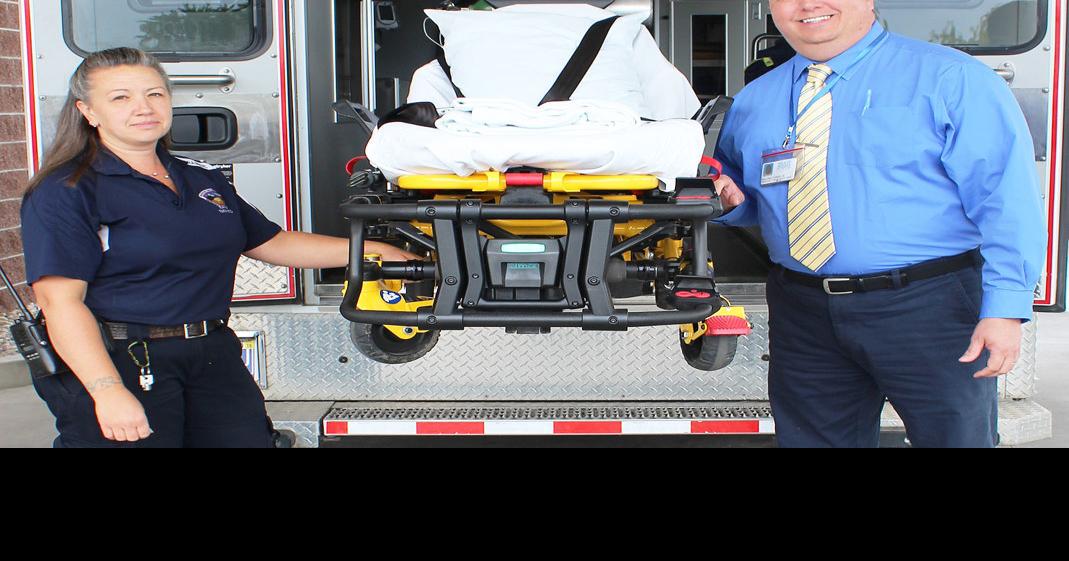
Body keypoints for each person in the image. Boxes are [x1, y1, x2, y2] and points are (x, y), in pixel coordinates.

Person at [21, 48, 416, 448]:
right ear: (88, 111)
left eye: (155, 94)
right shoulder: (68, 190)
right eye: (120, 97)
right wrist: (106, 390)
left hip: (211, 351)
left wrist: (372, 249)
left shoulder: (199, 178)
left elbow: (270, 242)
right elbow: (60, 303)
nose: (143, 107)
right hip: (124, 358)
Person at [711, 0, 1046, 447]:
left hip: (929, 305)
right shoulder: (754, 100)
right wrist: (729, 201)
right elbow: (756, 198)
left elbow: (1007, 200)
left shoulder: (952, 79)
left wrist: (1004, 308)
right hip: (803, 310)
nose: (808, 4)